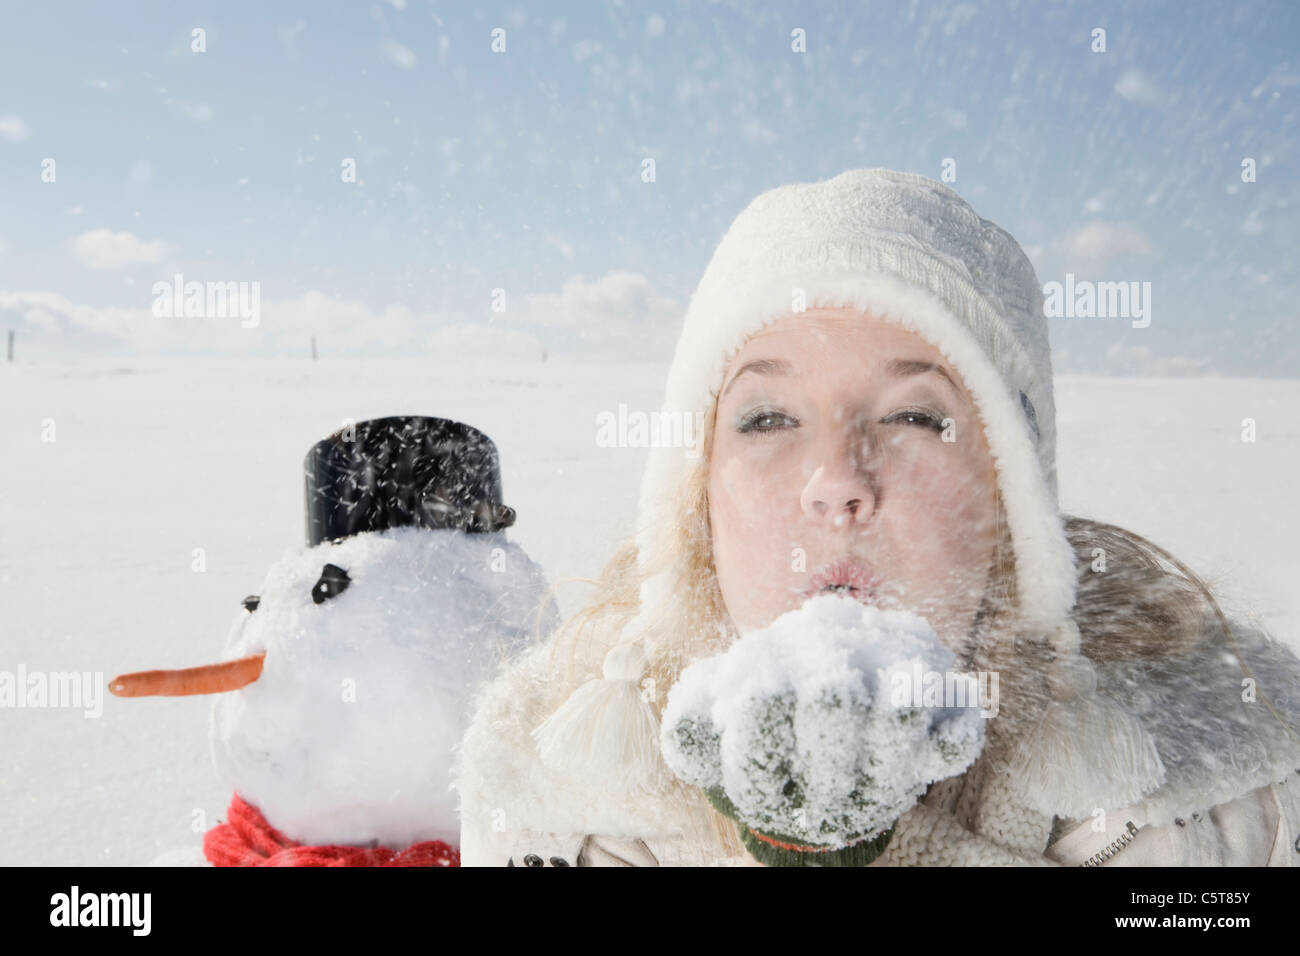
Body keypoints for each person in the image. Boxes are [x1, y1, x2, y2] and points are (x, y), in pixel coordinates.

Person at [453, 168, 1300, 866]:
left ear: (1014, 503)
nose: (836, 483)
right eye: (769, 418)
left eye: (914, 417)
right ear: (694, 496)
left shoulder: (1234, 797)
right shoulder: (552, 794)